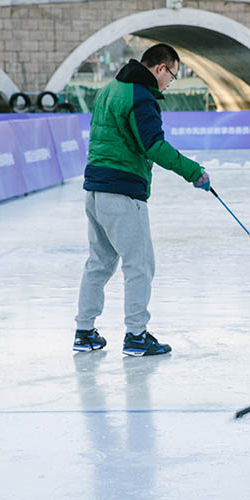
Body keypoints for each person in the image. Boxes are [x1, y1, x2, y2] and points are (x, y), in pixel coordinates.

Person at [73, 43, 211, 357]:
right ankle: (136, 335)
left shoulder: (110, 89)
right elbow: (153, 146)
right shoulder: (140, 96)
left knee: (99, 263)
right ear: (160, 68)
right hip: (122, 192)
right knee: (140, 265)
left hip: (95, 189)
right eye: (172, 76)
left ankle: (84, 331)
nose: (169, 83)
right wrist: (193, 172)